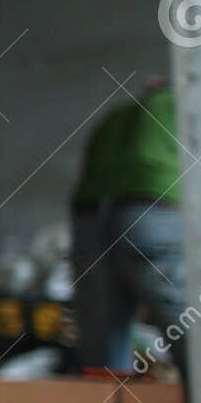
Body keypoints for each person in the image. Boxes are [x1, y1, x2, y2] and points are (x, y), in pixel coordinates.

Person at [68, 76, 186, 378]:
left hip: (91, 217)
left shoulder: (116, 116)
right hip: (149, 210)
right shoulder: (185, 106)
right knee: (187, 321)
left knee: (101, 332)